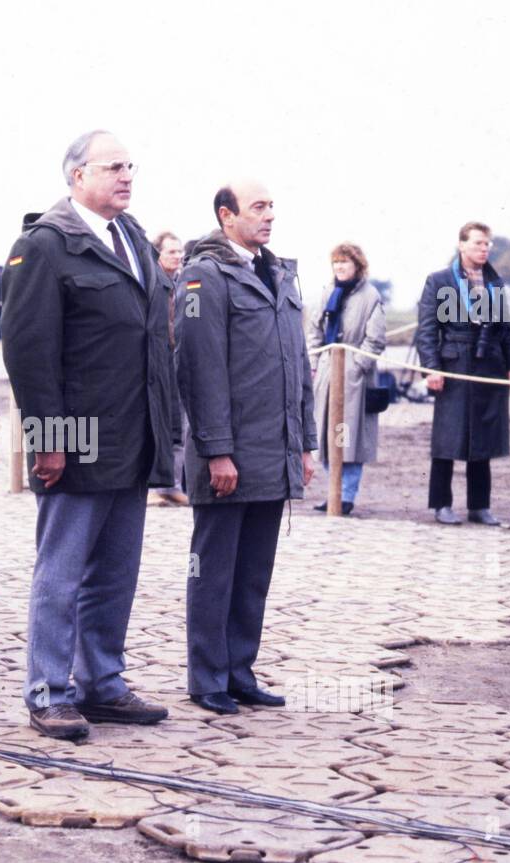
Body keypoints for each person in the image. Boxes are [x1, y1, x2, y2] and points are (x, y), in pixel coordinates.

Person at [0, 129, 176, 740]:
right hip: (76, 437)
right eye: (113, 167)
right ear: (77, 176)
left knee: (116, 570)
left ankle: (102, 683)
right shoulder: (47, 244)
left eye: (131, 166)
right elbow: (29, 351)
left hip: (133, 435)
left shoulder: (131, 237)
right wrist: (49, 439)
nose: (127, 176)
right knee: (63, 569)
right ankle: (49, 691)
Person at [174, 179, 316, 715]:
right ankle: (206, 677)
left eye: (273, 206)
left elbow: (297, 364)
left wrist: (303, 442)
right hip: (229, 455)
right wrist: (215, 450)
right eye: (258, 207)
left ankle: (239, 671)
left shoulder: (277, 273)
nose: (270, 215)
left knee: (254, 569)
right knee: (214, 570)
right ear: (226, 216)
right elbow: (197, 367)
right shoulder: (203, 276)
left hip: (272, 451)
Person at [416, 222, 510, 525]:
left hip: (489, 363)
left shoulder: (495, 282)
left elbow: (505, 330)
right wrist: (432, 370)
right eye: (478, 243)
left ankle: (479, 506)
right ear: (462, 245)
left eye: (487, 243)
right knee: (447, 438)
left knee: (484, 437)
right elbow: (426, 330)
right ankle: (441, 505)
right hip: (453, 365)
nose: (484, 248)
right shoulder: (438, 281)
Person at [305, 242, 387, 515]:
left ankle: (347, 495)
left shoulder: (371, 296)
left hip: (355, 377)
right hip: (327, 373)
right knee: (328, 436)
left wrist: (357, 366)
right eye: (336, 262)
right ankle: (333, 492)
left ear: (357, 265)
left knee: (349, 438)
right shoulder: (327, 293)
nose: (340, 267)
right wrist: (315, 364)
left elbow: (375, 339)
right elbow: (314, 331)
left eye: (345, 262)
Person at [152, 230, 189, 506]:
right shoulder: (150, 284)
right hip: (156, 362)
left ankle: (171, 483)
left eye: (180, 251)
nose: (178, 256)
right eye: (171, 252)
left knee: (179, 425)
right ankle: (157, 484)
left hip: (180, 360)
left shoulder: (186, 284)